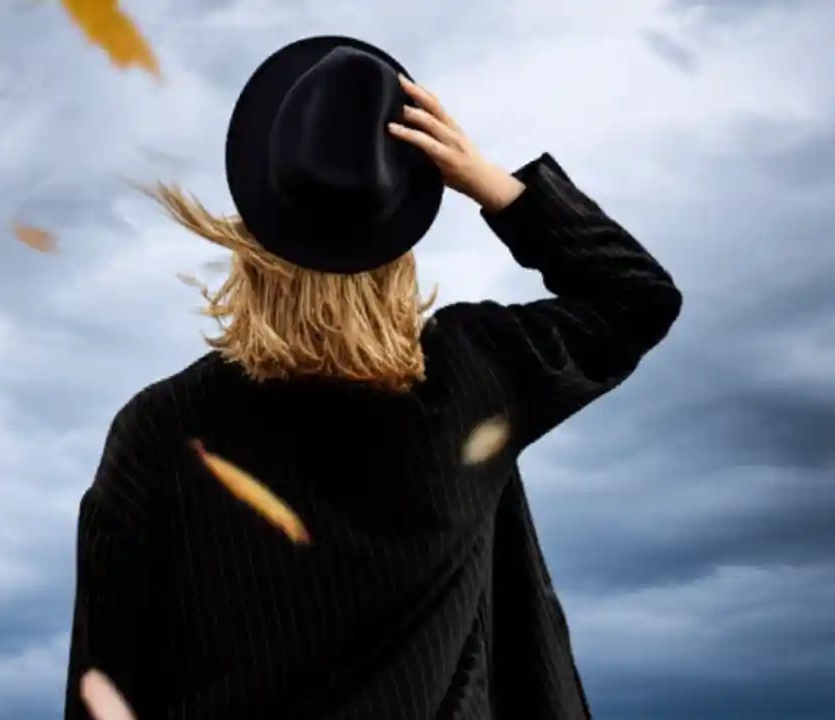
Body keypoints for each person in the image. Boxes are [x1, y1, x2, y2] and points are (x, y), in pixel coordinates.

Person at [64, 35, 681, 720]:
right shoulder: (474, 378)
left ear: (251, 239)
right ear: (400, 244)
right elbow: (636, 297)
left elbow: (104, 689)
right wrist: (488, 181)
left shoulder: (161, 428)